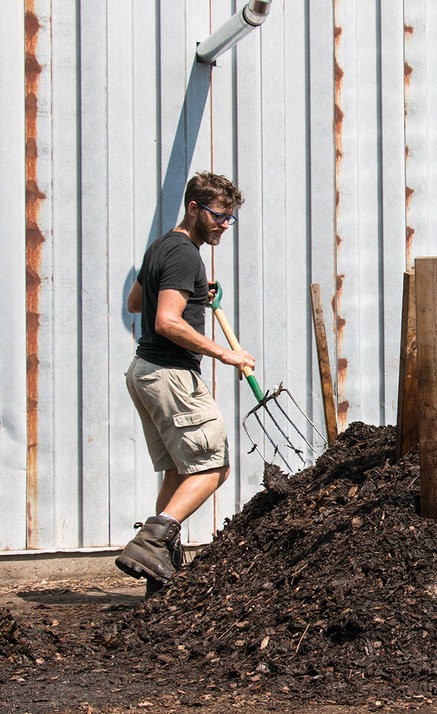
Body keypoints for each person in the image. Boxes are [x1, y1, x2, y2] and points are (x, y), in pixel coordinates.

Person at [117, 171, 255, 594]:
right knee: (214, 465)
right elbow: (165, 320)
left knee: (180, 470)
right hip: (171, 374)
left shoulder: (162, 247)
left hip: (144, 372)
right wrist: (223, 352)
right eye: (218, 216)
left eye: (230, 219)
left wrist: (195, 292)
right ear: (193, 207)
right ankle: (151, 543)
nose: (224, 225)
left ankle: (157, 571)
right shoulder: (184, 255)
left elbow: (136, 302)